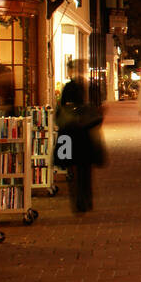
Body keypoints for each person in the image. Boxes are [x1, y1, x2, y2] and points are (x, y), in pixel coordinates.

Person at [56, 62, 102, 213]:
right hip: (85, 133)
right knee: (84, 169)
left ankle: (79, 200)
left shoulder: (70, 87)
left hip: (71, 133)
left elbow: (61, 109)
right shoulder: (92, 87)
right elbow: (99, 109)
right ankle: (86, 198)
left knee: (73, 168)